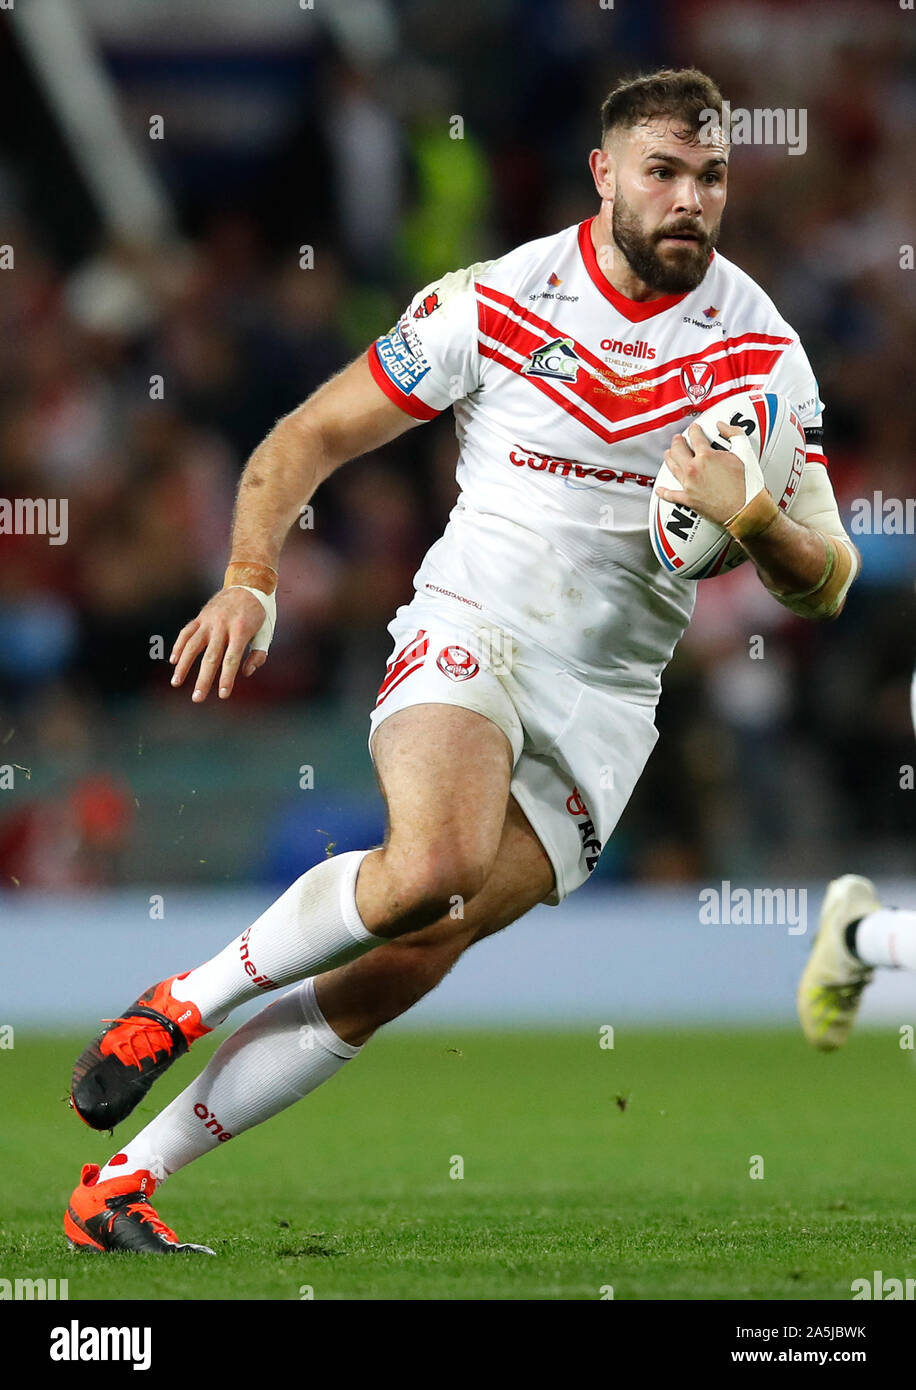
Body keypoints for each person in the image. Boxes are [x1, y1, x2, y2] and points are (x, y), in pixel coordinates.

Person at [64, 67, 860, 1254]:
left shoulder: (761, 354)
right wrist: (249, 576)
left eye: (711, 177)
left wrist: (754, 521)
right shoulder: (496, 302)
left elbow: (830, 576)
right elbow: (309, 435)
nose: (690, 199)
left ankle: (120, 1184)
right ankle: (181, 1001)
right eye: (663, 172)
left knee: (411, 954)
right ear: (605, 176)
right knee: (430, 863)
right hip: (474, 628)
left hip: (607, 704)